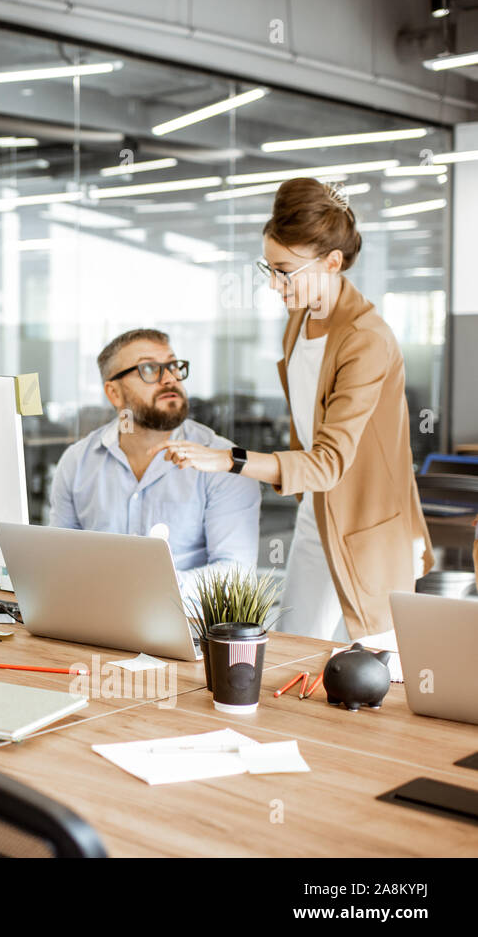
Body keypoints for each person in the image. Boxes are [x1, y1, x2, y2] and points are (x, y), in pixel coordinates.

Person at [154, 178, 433, 641]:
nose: (273, 284)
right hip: (317, 510)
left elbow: (328, 462)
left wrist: (231, 461)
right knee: (294, 648)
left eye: (285, 270)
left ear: (332, 262)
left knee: (368, 671)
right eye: (269, 267)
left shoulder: (366, 339)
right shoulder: (301, 317)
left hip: (367, 524)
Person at [49, 328, 261, 596]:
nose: (170, 379)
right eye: (150, 369)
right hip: (94, 623)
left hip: (189, 628)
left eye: (173, 366)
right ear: (114, 393)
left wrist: (145, 591)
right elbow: (59, 560)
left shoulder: (224, 462)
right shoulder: (78, 462)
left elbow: (236, 576)